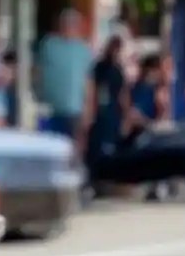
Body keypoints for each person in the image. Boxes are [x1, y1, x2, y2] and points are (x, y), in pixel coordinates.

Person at [35, 9, 95, 142]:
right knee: (50, 143)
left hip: (75, 110)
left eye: (72, 24)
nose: (69, 27)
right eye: (66, 23)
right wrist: (37, 96)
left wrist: (88, 110)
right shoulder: (49, 45)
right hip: (50, 108)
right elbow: (38, 72)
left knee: (73, 145)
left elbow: (88, 82)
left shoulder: (84, 50)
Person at [86, 35, 129, 174]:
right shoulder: (100, 67)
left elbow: (123, 94)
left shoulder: (118, 70)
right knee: (99, 144)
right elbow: (93, 90)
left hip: (113, 112)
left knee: (110, 144)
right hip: (102, 112)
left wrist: (126, 115)